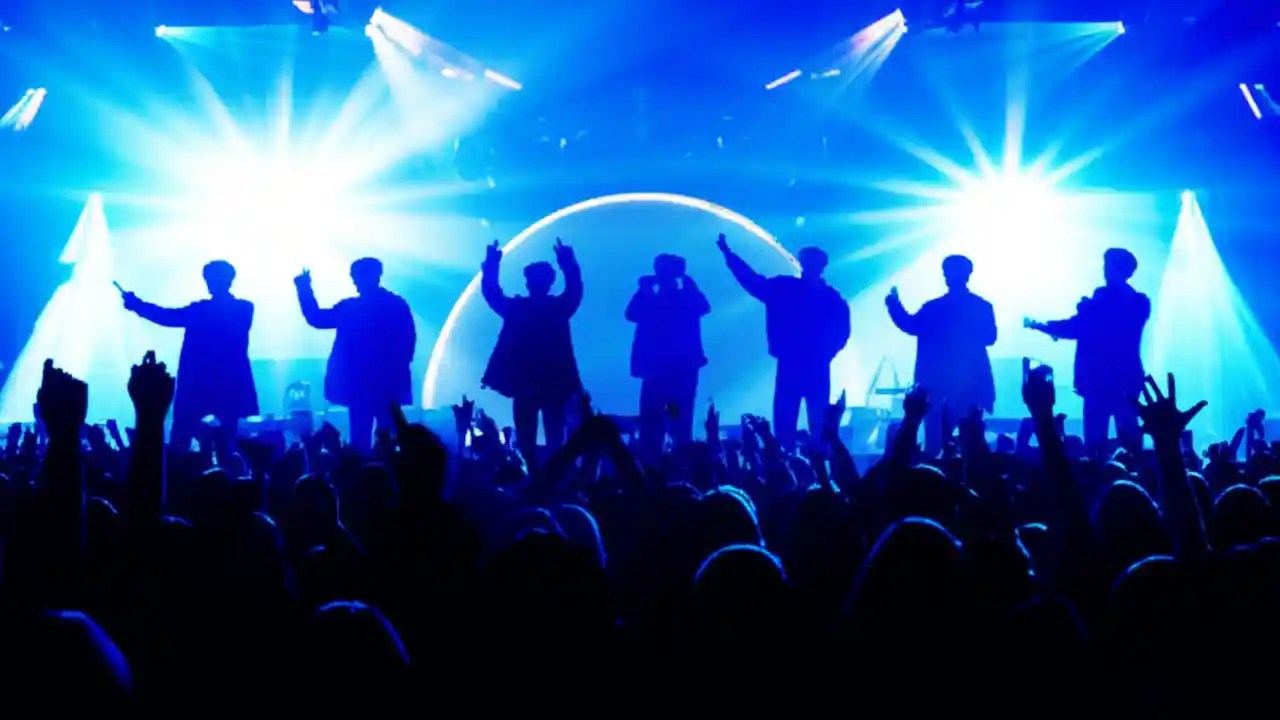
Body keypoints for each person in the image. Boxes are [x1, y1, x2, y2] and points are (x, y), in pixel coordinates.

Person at [718, 233, 850, 449]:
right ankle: (809, 468)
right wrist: (730, 257)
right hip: (807, 364)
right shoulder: (824, 297)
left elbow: (754, 283)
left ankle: (796, 465)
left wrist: (730, 257)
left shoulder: (799, 292)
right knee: (797, 423)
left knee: (799, 423)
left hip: (801, 363)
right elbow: (753, 282)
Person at [121, 260, 258, 452]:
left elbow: (167, 317)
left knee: (184, 436)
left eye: (210, 279)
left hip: (197, 383)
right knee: (229, 440)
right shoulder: (244, 308)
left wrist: (137, 305)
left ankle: (178, 474)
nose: (208, 283)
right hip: (230, 384)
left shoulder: (201, 310)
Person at [1027, 248, 1150, 448]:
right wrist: (1045, 325)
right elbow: (1078, 326)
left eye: (1110, 266)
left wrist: (1087, 309)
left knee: (1116, 437)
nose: (1106, 271)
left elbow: (1095, 327)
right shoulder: (1121, 302)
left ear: (1123, 271)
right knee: (1103, 437)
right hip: (1108, 379)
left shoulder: (1136, 302)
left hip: (1111, 379)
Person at [295, 258, 416, 452]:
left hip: (361, 383)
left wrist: (304, 287)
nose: (354, 281)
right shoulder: (396, 304)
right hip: (382, 382)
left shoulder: (352, 308)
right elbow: (408, 343)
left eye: (356, 277)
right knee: (390, 436)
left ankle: (367, 473)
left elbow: (316, 318)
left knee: (363, 437)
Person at [480, 238, 584, 465]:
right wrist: (568, 262)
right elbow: (575, 291)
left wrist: (492, 265)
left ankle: (543, 477)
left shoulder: (547, 308)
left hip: (543, 381)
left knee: (547, 437)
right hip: (536, 381)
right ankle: (543, 477)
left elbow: (492, 294)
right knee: (540, 437)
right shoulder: (556, 307)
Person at [885, 255, 997, 455]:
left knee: (936, 443)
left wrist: (894, 306)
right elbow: (990, 337)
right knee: (969, 441)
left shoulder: (934, 307)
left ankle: (934, 477)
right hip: (967, 382)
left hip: (938, 383)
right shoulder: (981, 306)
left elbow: (911, 325)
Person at [625, 254, 711, 462]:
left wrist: (646, 290)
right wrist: (645, 290)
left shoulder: (679, 296)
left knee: (672, 423)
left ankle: (668, 463)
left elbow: (703, 307)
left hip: (671, 370)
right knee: (660, 422)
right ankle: (661, 462)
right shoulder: (661, 297)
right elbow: (631, 313)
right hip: (667, 370)